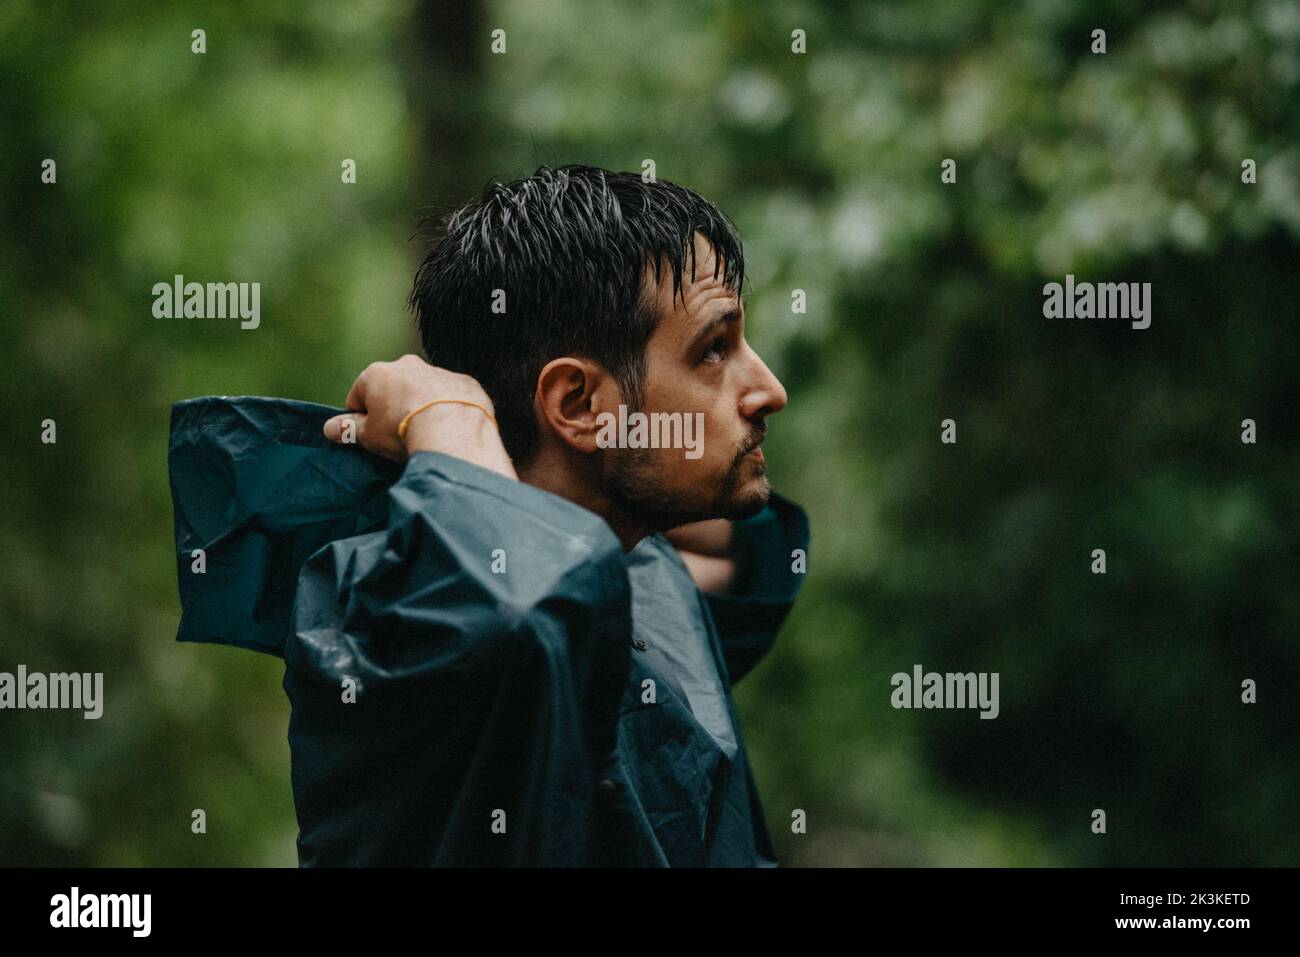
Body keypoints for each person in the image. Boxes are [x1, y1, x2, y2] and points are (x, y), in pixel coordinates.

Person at [167, 164, 810, 866]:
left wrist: (581, 464)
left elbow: (750, 556)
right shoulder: (393, 617)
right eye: (714, 349)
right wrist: (446, 415)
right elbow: (518, 617)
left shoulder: (639, 565)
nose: (768, 388)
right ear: (575, 404)